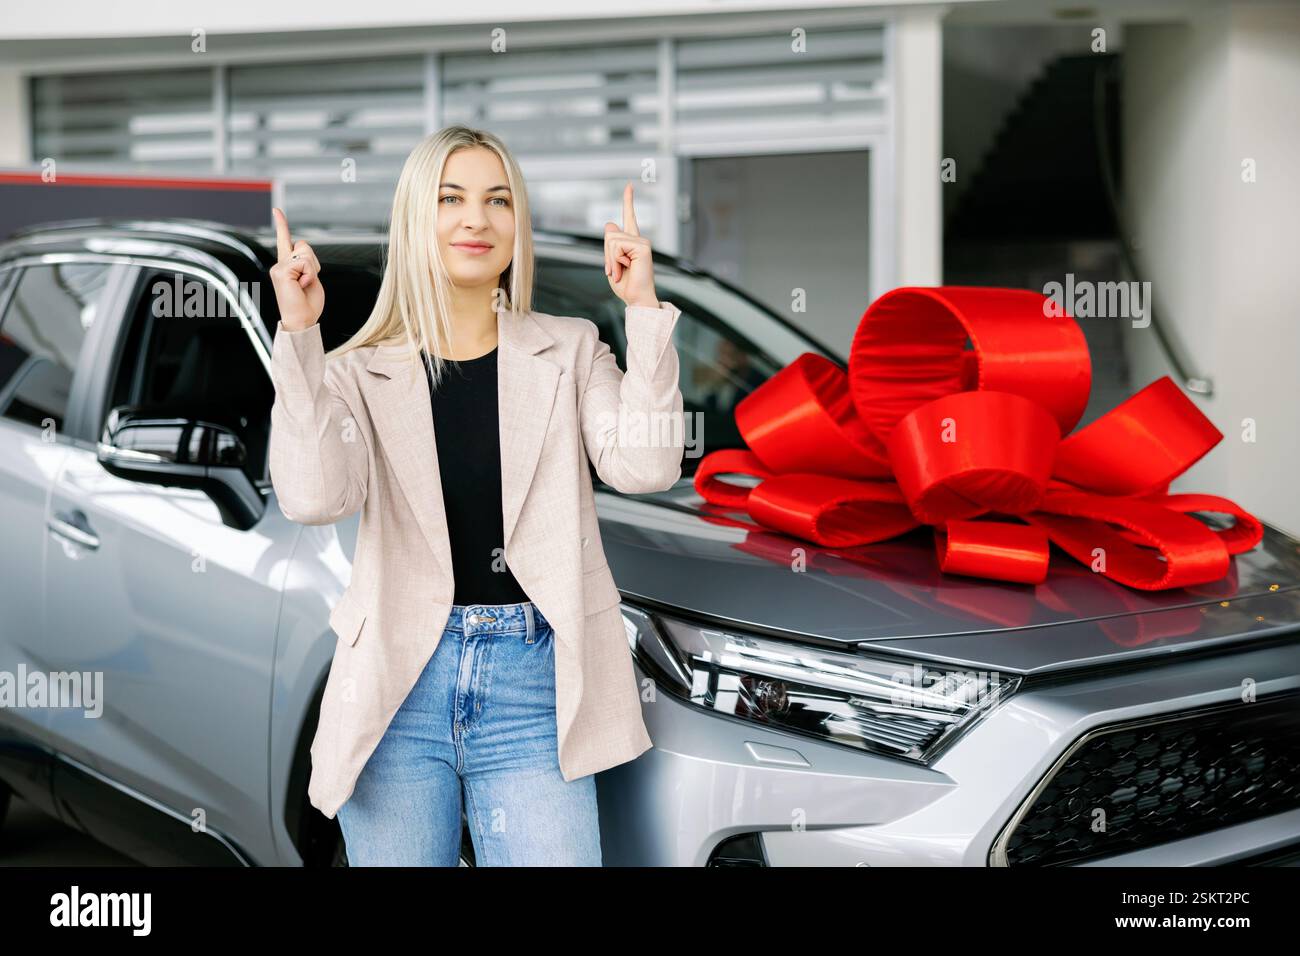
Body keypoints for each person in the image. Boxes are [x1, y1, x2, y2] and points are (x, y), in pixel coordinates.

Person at [266, 125, 683, 866]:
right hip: (397, 687)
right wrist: (300, 336)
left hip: (535, 687)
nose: (476, 219)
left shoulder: (572, 347)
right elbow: (312, 495)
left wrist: (643, 309)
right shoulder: (357, 371)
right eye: (450, 198)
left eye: (498, 200)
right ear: (415, 219)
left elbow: (645, 466)